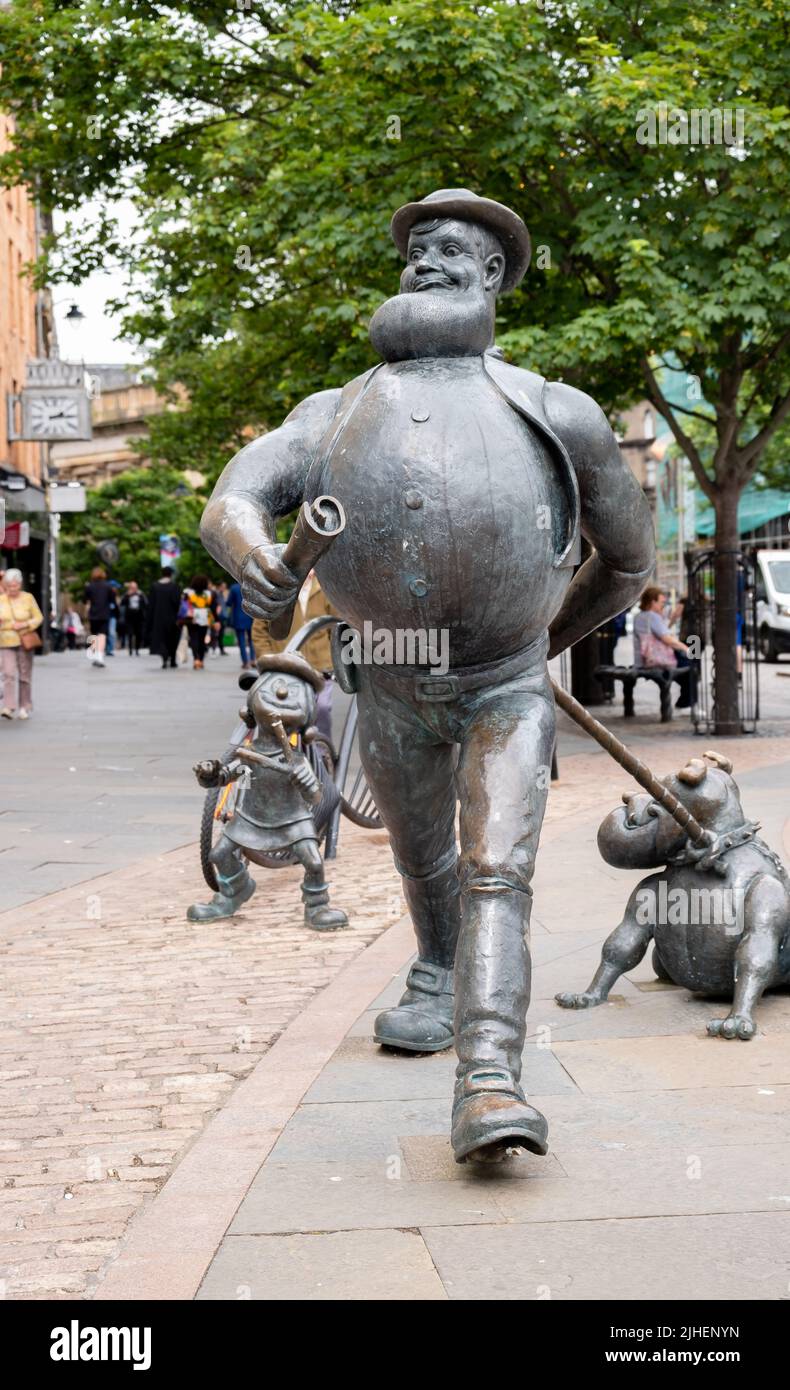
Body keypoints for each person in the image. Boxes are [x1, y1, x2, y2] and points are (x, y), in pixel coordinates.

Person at [199, 186, 655, 1162]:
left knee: (497, 867)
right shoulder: (336, 411)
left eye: (449, 251)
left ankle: (489, 1077)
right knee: (424, 859)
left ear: (493, 274)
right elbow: (234, 494)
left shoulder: (555, 411)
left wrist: (543, 638)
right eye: (415, 251)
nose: (424, 264)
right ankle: (437, 970)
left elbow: (627, 561)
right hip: (392, 682)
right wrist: (254, 556)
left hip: (501, 680)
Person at [252, 570, 336, 737]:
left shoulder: (325, 590)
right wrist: (268, 658)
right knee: (285, 712)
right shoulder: (276, 594)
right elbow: (259, 630)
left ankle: (324, 751)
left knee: (322, 708)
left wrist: (334, 658)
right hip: (285, 667)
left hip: (319, 666)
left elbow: (336, 628)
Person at [0, 567, 44, 719]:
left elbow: (38, 618)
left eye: (16, 585)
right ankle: (8, 706)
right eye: (10, 586)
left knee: (24, 676)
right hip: (6, 641)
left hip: (25, 641)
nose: (13, 588)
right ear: (5, 585)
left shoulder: (28, 598)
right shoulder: (1, 600)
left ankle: (25, 706)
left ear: (20, 584)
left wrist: (25, 624)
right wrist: (6, 625)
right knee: (8, 674)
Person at [146, 566, 181, 669]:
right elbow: (177, 603)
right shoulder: (174, 586)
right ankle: (173, 660)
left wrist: (149, 620)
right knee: (172, 638)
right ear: (170, 574)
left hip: (158, 618)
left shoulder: (155, 586)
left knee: (162, 639)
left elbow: (151, 605)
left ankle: (164, 658)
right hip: (172, 618)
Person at [182, 574, 215, 670]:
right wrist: (215, 621)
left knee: (193, 639)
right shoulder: (208, 594)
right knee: (202, 639)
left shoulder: (187, 592)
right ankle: (201, 660)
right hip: (204, 616)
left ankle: (196, 659)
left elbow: (184, 604)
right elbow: (212, 607)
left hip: (191, 616)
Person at [84, 566, 114, 667]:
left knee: (94, 635)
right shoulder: (108, 586)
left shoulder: (89, 586)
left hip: (93, 614)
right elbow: (112, 600)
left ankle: (95, 655)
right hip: (104, 613)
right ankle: (100, 656)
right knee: (102, 635)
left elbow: (85, 600)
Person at [225, 577, 255, 669]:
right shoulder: (252, 587)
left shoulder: (234, 588)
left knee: (241, 641)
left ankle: (245, 662)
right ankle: (253, 660)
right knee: (252, 640)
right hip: (251, 616)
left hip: (238, 617)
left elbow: (229, 603)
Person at [121, 580, 147, 657]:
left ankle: (137, 649)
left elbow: (146, 603)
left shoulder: (141, 594)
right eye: (132, 587)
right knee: (130, 633)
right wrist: (128, 595)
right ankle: (130, 650)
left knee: (139, 634)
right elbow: (122, 603)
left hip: (139, 617)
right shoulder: (127, 594)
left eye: (135, 587)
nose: (134, 589)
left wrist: (141, 595)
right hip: (129, 617)